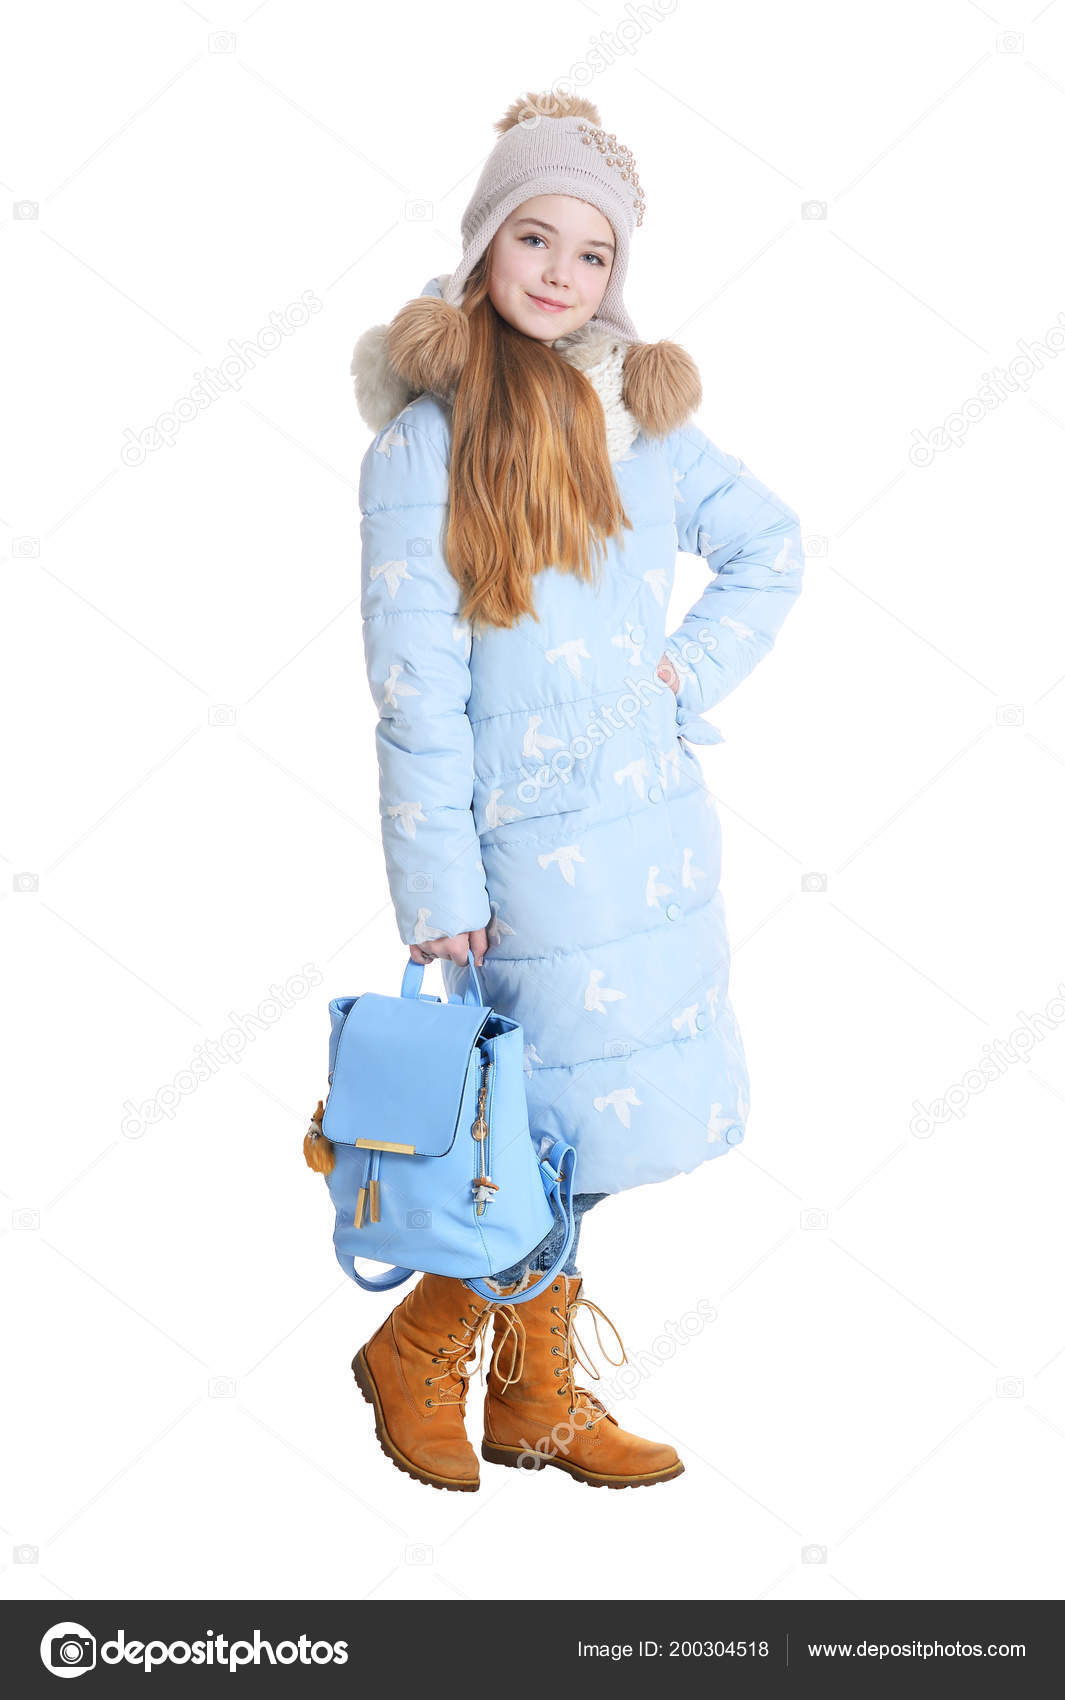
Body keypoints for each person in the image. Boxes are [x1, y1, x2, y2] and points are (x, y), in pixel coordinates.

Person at [347, 89, 804, 1492]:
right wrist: (437, 885)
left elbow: (768, 549)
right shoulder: (423, 446)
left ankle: (528, 1393)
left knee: (588, 1121)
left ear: (618, 275)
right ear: (485, 245)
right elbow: (414, 685)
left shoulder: (644, 427)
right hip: (515, 851)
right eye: (532, 238)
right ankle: (426, 1344)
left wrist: (676, 679)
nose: (558, 273)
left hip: (648, 843)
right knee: (531, 1123)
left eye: (590, 253)